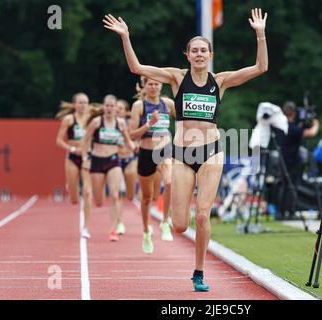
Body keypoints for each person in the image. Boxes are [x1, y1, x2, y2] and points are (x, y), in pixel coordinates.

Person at [103, 7, 268, 291]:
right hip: (182, 154)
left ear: (210, 55)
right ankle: (183, 206)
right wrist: (125, 37)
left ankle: (199, 272)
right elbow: (137, 68)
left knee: (203, 215)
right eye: (195, 51)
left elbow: (260, 68)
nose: (200, 54)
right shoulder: (178, 78)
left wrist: (261, 35)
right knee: (180, 225)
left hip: (212, 151)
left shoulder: (221, 80)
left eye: (204, 50)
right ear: (188, 55)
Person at [128, 76, 175, 254]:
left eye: (156, 84)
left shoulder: (168, 103)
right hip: (146, 153)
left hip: (164, 149)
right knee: (147, 198)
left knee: (169, 183)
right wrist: (149, 124)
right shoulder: (139, 106)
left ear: (161, 85)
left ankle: (165, 222)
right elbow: (132, 135)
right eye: (150, 84)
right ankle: (146, 231)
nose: (154, 87)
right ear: (145, 86)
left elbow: (183, 120)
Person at [81, 95, 137, 241]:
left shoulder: (120, 124)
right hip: (97, 162)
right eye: (107, 106)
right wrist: (85, 157)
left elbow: (127, 139)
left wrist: (132, 146)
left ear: (114, 108)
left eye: (112, 106)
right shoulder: (96, 122)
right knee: (98, 201)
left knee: (114, 194)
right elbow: (85, 140)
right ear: (103, 107)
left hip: (113, 160)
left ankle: (113, 230)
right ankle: (96, 219)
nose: (109, 108)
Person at [55, 92, 93, 239]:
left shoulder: (92, 120)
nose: (83, 105)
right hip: (72, 157)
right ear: (75, 105)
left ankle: (86, 227)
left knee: (88, 193)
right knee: (74, 199)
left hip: (87, 157)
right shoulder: (69, 119)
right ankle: (71, 188)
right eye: (81, 102)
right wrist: (72, 149)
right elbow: (59, 140)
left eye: (86, 102)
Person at [276, 101, 319, 220]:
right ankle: (290, 212)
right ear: (293, 113)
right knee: (292, 187)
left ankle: (281, 213)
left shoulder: (280, 126)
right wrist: (316, 123)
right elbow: (311, 133)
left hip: (283, 160)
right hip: (293, 161)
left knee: (284, 187)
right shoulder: (292, 128)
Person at [116, 99, 138, 235]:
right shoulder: (108, 124)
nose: (118, 111)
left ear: (125, 111)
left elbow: (138, 137)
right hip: (115, 160)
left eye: (121, 109)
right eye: (116, 108)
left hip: (130, 159)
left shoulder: (131, 124)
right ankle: (119, 223)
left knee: (130, 196)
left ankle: (131, 196)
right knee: (116, 194)